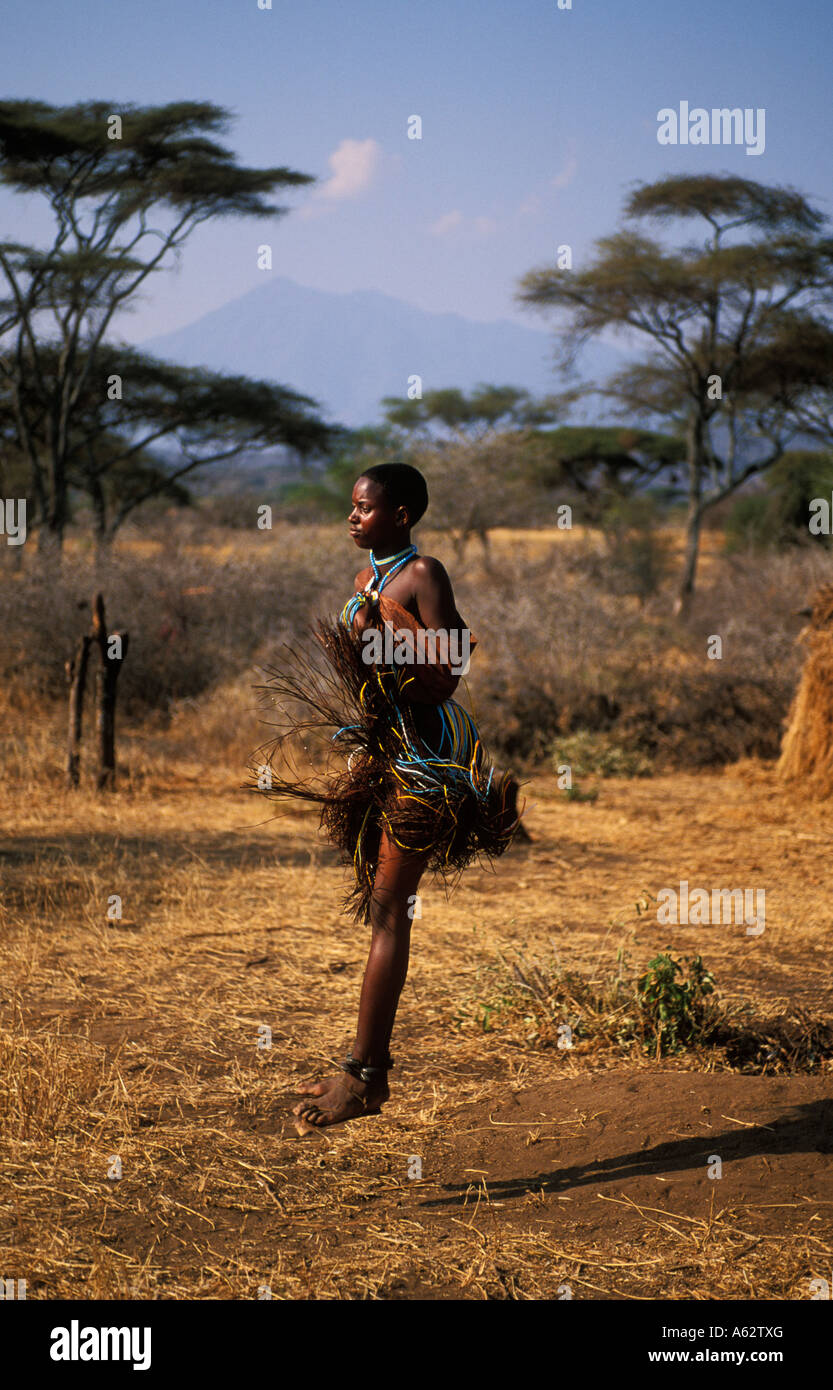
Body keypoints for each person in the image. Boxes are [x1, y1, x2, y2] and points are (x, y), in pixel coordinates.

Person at [255, 462, 525, 1133]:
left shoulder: (422, 575)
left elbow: (451, 664)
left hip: (424, 760)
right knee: (382, 911)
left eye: (366, 508)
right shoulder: (366, 580)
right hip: (386, 754)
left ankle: (366, 1077)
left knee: (388, 913)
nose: (352, 517)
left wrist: (400, 663)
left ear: (401, 514)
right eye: (350, 507)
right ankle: (362, 1068)